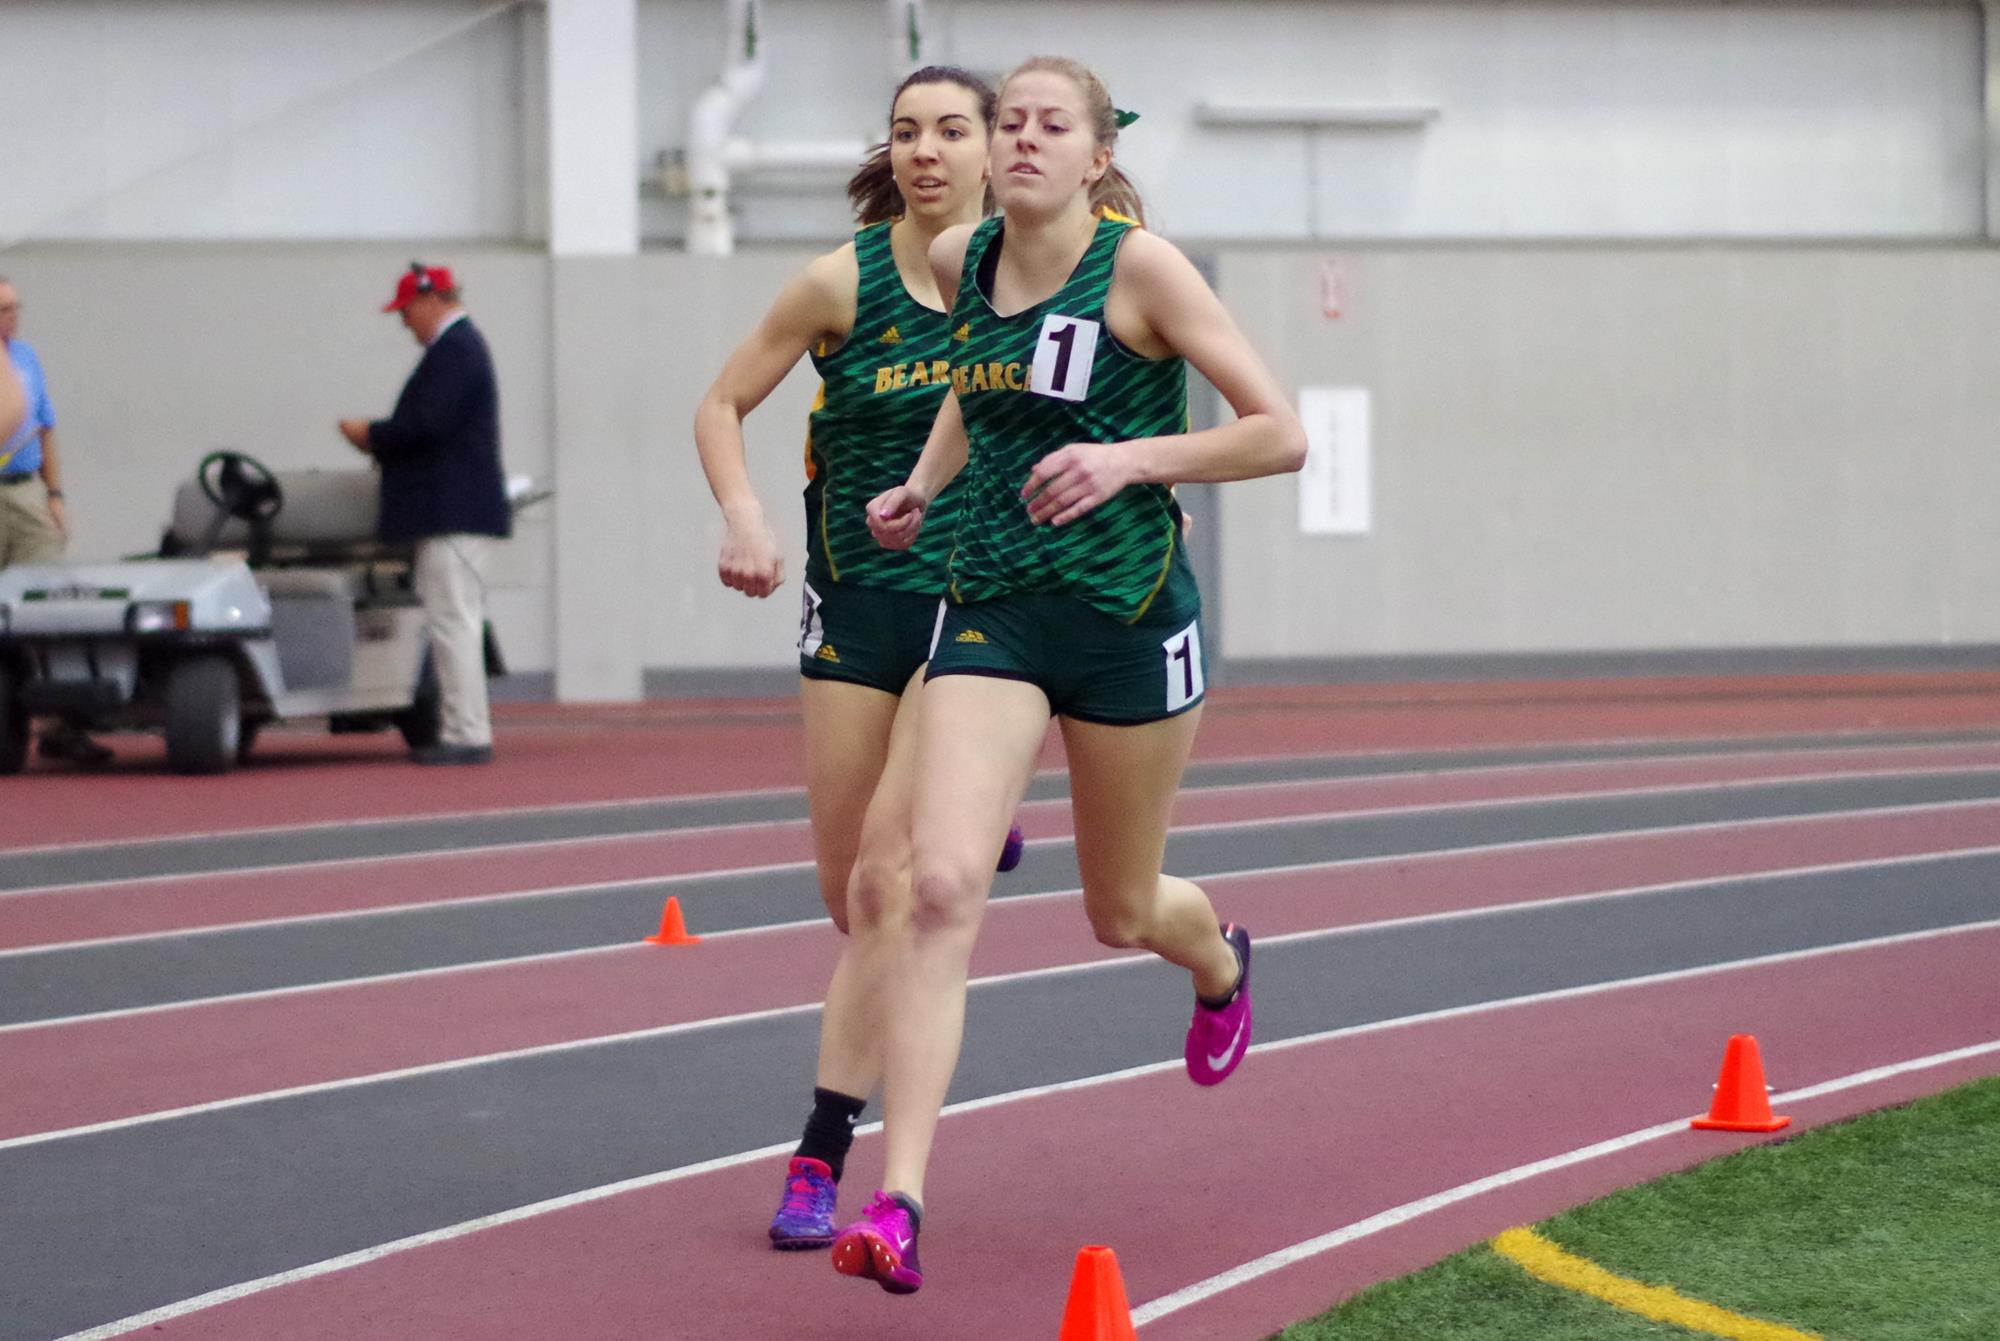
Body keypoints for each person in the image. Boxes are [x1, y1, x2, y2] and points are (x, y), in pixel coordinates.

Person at [833, 56, 1307, 1294]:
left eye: (1052, 125)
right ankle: (897, 1202)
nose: (1023, 139)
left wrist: (1128, 461)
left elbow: (1278, 433)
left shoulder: (1141, 270)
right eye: (1009, 123)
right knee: (939, 885)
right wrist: (920, 486)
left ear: (1098, 157)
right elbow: (973, 388)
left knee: (1121, 909)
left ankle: (1218, 964)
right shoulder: (961, 259)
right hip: (992, 603)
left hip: (1125, 620)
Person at [693, 66, 1032, 1252]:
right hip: (853, 604)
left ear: (993, 148)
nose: (924, 151)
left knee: (894, 889)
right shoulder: (839, 281)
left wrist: (1141, 488)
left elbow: (1109, 402)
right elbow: (720, 405)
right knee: (848, 897)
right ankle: (972, 814)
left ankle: (820, 1153)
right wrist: (745, 517)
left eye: (949, 130)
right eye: (905, 132)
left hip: (977, 611)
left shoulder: (1036, 277)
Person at [340, 263, 509, 766]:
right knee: (457, 623)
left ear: (431, 300)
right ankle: (464, 729)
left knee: (452, 624)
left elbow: (426, 425)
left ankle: (466, 734)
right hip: (457, 511)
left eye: (406, 310)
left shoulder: (455, 351)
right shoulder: (462, 348)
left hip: (451, 512)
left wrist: (372, 435)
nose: (404, 322)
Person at [0, 277, 112, 767]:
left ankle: (60, 726)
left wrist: (55, 495)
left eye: (14, 307)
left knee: (46, 607)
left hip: (25, 493)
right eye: (2, 309)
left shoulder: (25, 358)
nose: (12, 316)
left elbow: (45, 430)